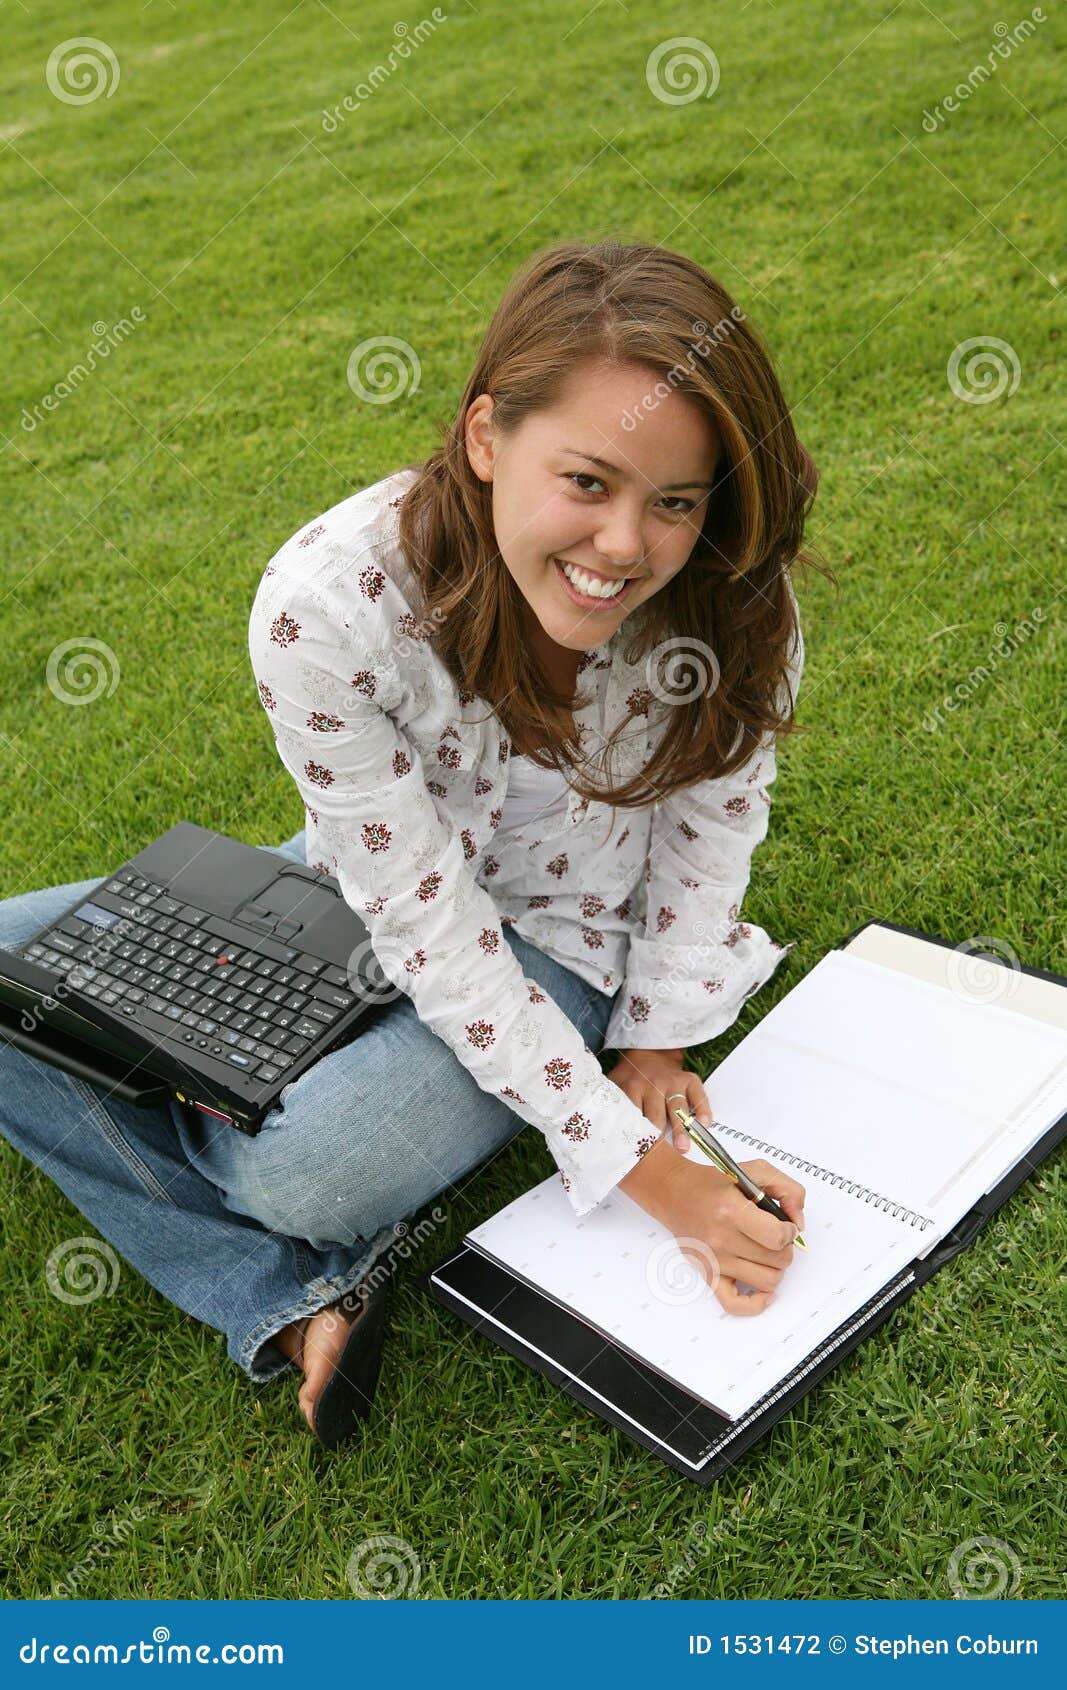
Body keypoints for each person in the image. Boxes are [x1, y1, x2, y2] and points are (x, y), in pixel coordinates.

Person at [0, 237, 825, 1447]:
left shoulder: (735, 605)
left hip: (561, 941)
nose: (622, 547)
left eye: (675, 502)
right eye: (586, 482)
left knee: (304, 1177)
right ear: (486, 437)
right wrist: (661, 1185)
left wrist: (649, 1033)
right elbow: (423, 922)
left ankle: (231, 1135)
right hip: (368, 893)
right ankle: (285, 1293)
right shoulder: (325, 604)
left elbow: (713, 821)